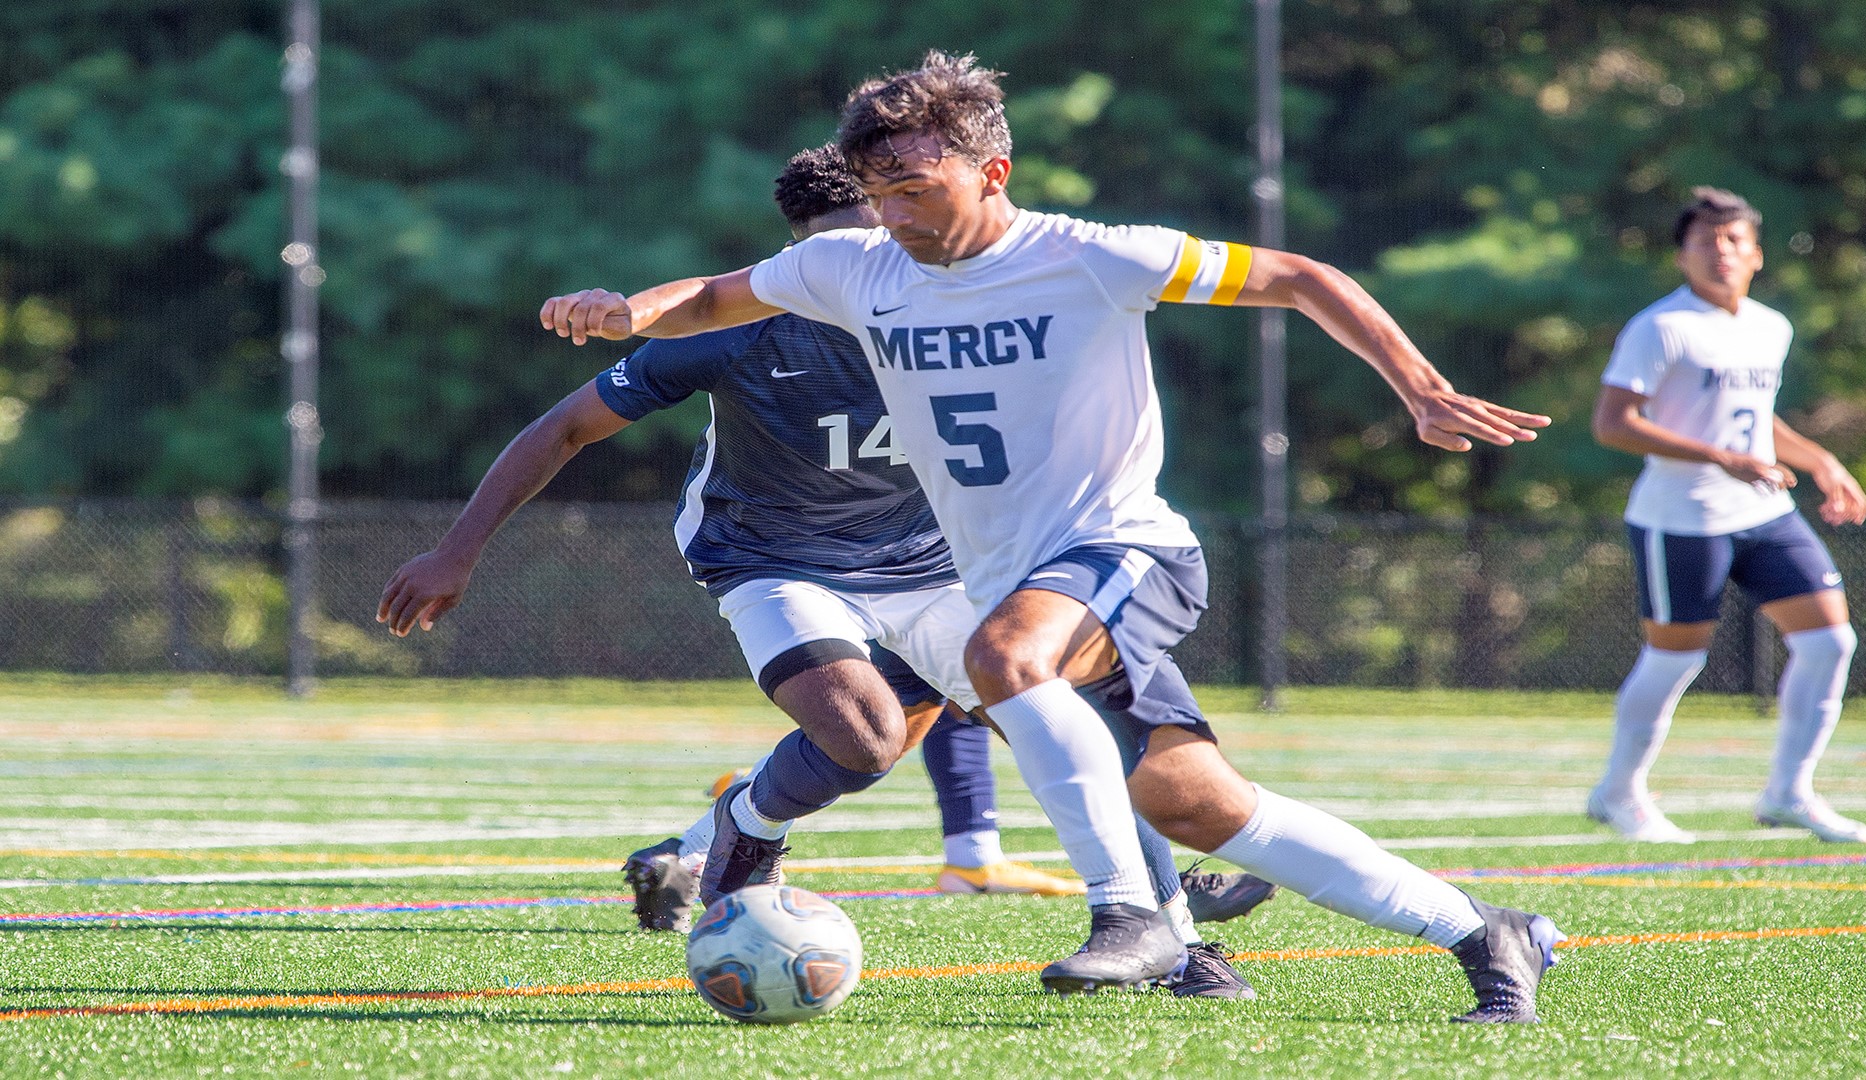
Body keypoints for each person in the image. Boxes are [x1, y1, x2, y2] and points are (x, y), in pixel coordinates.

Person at [541, 52, 1565, 1022]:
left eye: (914, 184)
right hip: (1009, 582)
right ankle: (1486, 933)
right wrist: (626, 311)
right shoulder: (854, 268)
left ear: (994, 170)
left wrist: (1422, 392)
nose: (893, 210)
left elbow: (1299, 277)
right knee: (1200, 806)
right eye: (876, 189)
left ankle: (1133, 918)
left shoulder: (1092, 257)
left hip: (1126, 552)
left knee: (1004, 657)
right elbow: (714, 300)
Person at [384, 145, 1259, 997]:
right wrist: (456, 549)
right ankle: (741, 823)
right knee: (864, 737)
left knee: (1076, 731)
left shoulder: (967, 311)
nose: (873, 259)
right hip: (774, 555)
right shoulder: (731, 330)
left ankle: (1176, 942)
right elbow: (566, 427)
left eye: (888, 230)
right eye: (843, 245)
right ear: (799, 257)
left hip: (940, 560)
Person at [1588, 186, 1866, 845]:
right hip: (1681, 517)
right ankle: (1619, 792)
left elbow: (1755, 420)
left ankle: (1788, 793)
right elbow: (1614, 424)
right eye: (1704, 241)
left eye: (1733, 240)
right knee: (1673, 662)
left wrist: (1821, 459)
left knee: (1831, 642)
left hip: (1764, 511)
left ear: (1757, 254)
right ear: (1681, 257)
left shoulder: (1771, 325)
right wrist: (1721, 458)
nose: (1720, 251)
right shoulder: (1661, 327)